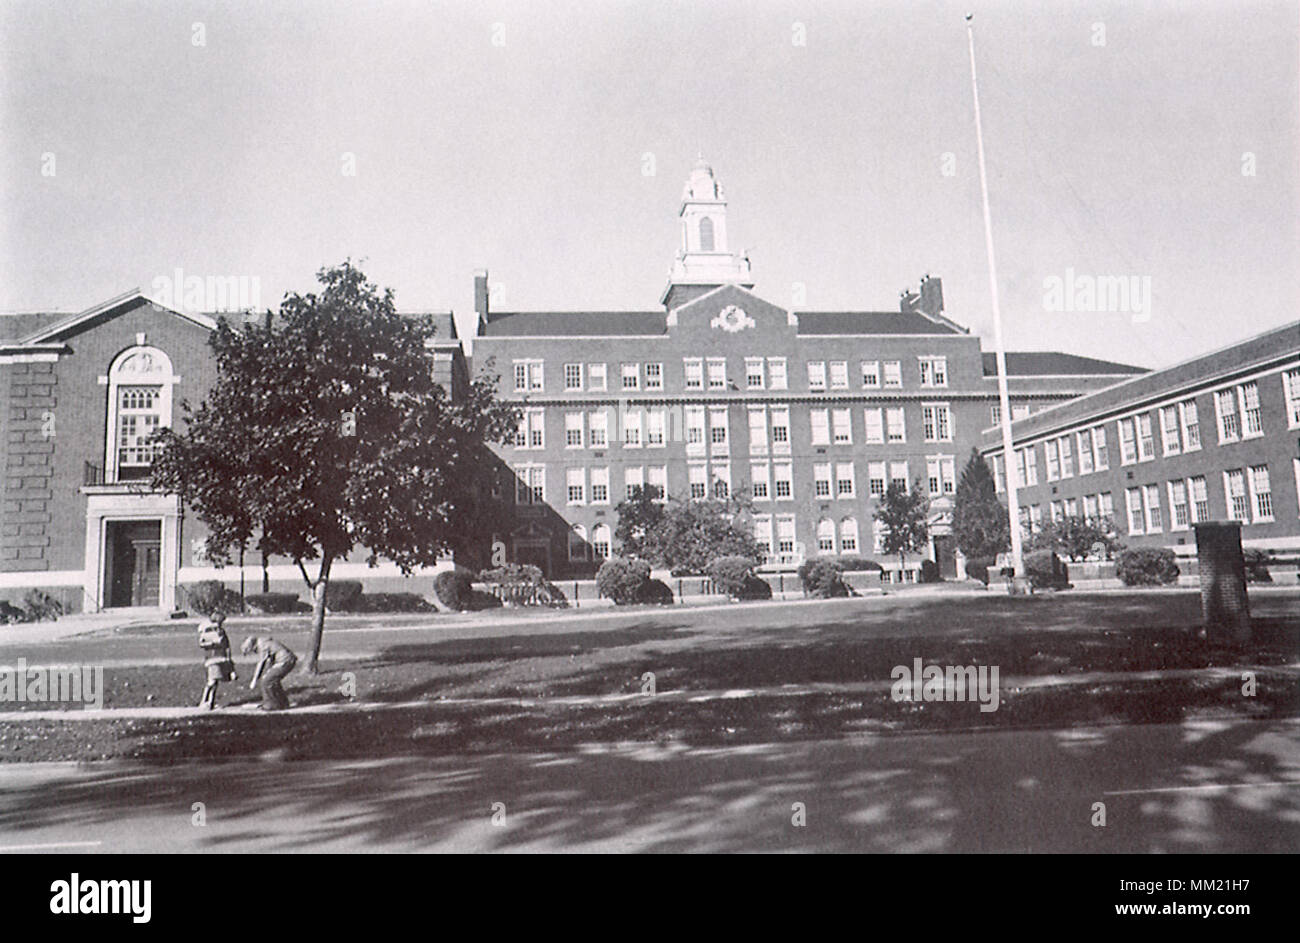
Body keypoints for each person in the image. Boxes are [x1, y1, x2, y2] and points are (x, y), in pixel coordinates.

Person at [241, 635, 298, 711]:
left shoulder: (262, 645)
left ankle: (270, 704)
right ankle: (282, 703)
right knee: (273, 681)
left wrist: (254, 679)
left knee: (266, 682)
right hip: (287, 660)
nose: (254, 653)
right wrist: (269, 671)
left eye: (251, 651)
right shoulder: (265, 642)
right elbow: (271, 658)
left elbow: (261, 663)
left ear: (252, 646)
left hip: (285, 661)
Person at [196, 610, 237, 710]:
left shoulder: (221, 631)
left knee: (214, 682)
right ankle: (206, 702)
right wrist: (214, 643)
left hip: (220, 658)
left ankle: (210, 702)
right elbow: (202, 644)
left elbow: (227, 646)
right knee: (212, 682)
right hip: (213, 659)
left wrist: (229, 660)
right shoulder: (208, 631)